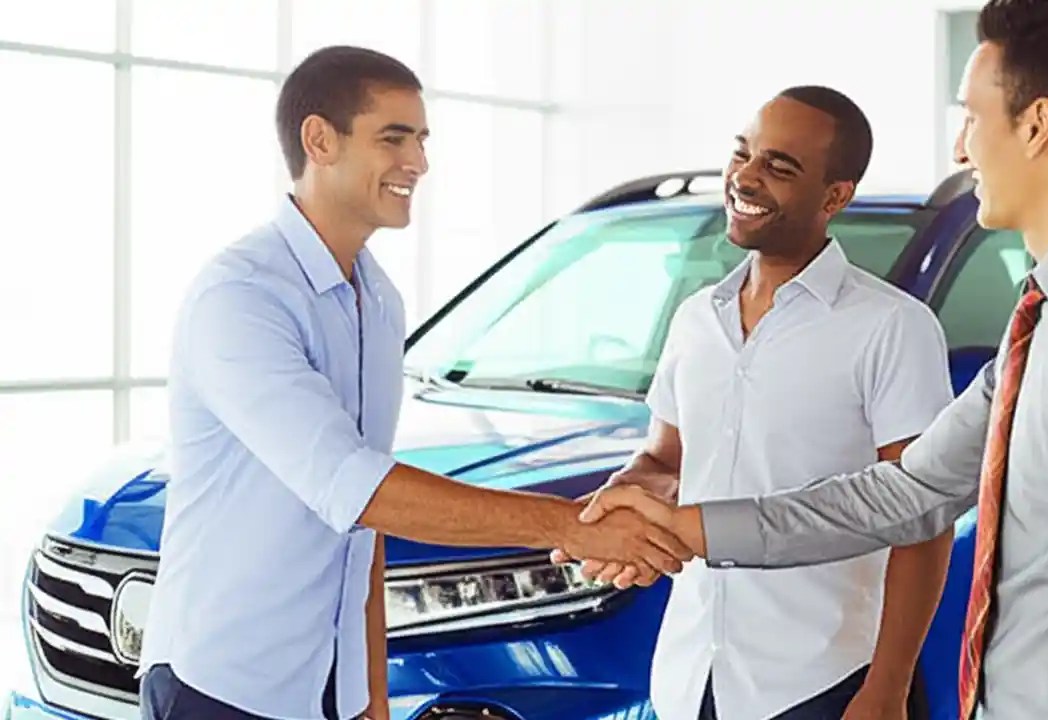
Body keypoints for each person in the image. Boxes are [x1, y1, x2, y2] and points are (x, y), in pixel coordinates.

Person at [571, 1, 1048, 718]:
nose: (960, 150)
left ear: (1037, 124)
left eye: (972, 118)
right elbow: (909, 493)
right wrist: (685, 528)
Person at [137, 45, 691, 720]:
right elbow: (354, 485)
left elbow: (362, 529)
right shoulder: (242, 296)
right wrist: (572, 528)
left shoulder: (377, 299)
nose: (419, 163)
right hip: (223, 685)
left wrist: (369, 695)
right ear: (320, 140)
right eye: (394, 138)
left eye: (422, 141)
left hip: (328, 688)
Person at [561, 87, 955, 720]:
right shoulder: (696, 319)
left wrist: (888, 686)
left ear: (835, 196)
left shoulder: (892, 327)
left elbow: (922, 519)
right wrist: (621, 502)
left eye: (779, 166)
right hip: (690, 674)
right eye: (742, 153)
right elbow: (666, 460)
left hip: (822, 681)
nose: (745, 177)